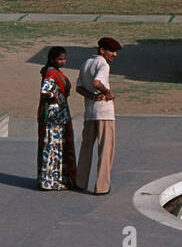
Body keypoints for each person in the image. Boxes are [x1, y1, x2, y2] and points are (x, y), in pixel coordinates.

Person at [76, 37, 121, 195]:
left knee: (86, 147)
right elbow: (97, 82)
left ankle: (80, 182)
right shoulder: (103, 64)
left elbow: (79, 88)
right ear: (102, 50)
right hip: (104, 114)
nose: (114, 54)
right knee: (105, 150)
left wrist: (92, 97)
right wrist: (107, 92)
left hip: (90, 113)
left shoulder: (86, 63)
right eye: (111, 51)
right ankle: (102, 187)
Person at [37, 46, 77, 191]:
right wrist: (54, 96)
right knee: (53, 148)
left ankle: (55, 180)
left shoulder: (55, 73)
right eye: (60, 59)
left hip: (60, 115)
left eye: (64, 58)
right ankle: (51, 182)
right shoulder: (51, 74)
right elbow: (45, 91)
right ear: (52, 59)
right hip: (54, 117)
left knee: (58, 148)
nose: (63, 61)